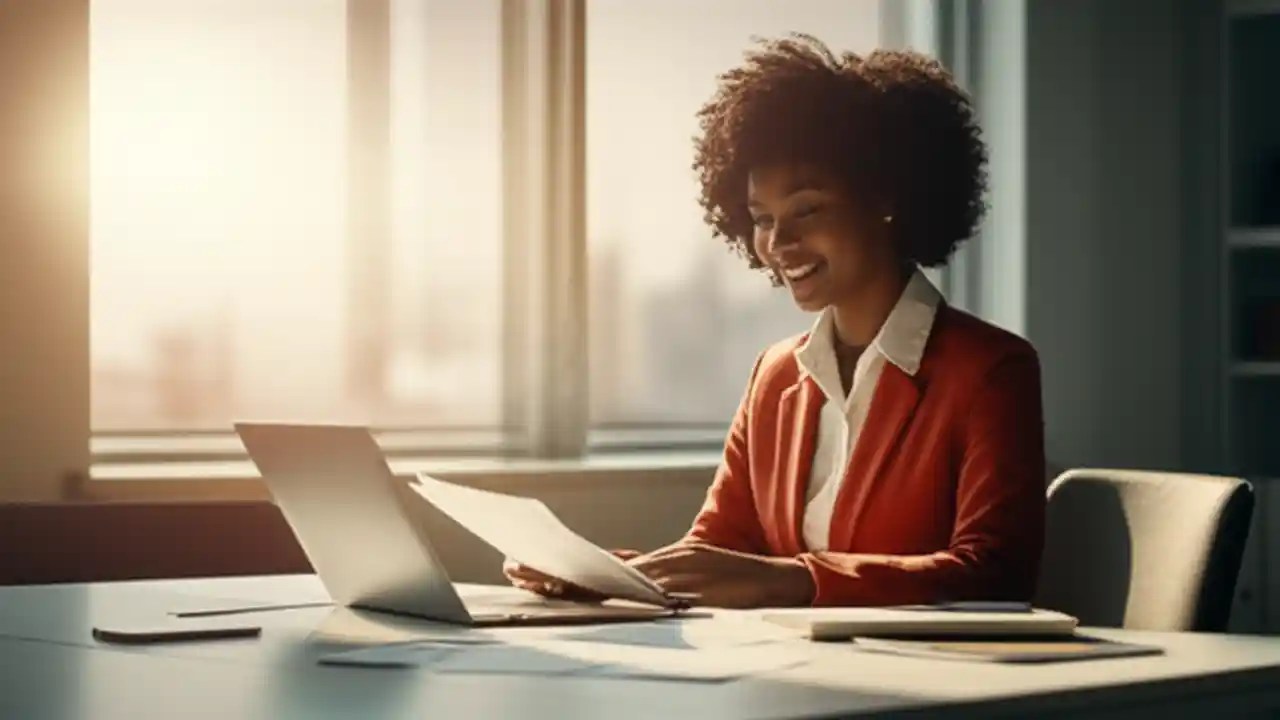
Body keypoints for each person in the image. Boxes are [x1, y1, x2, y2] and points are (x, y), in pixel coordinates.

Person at [506, 35, 1045, 608]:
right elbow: (719, 550)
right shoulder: (776, 374)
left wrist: (796, 580)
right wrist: (610, 574)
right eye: (762, 218)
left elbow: (993, 572)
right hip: (788, 675)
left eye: (807, 209)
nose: (779, 243)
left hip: (928, 684)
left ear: (887, 197)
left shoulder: (989, 370)